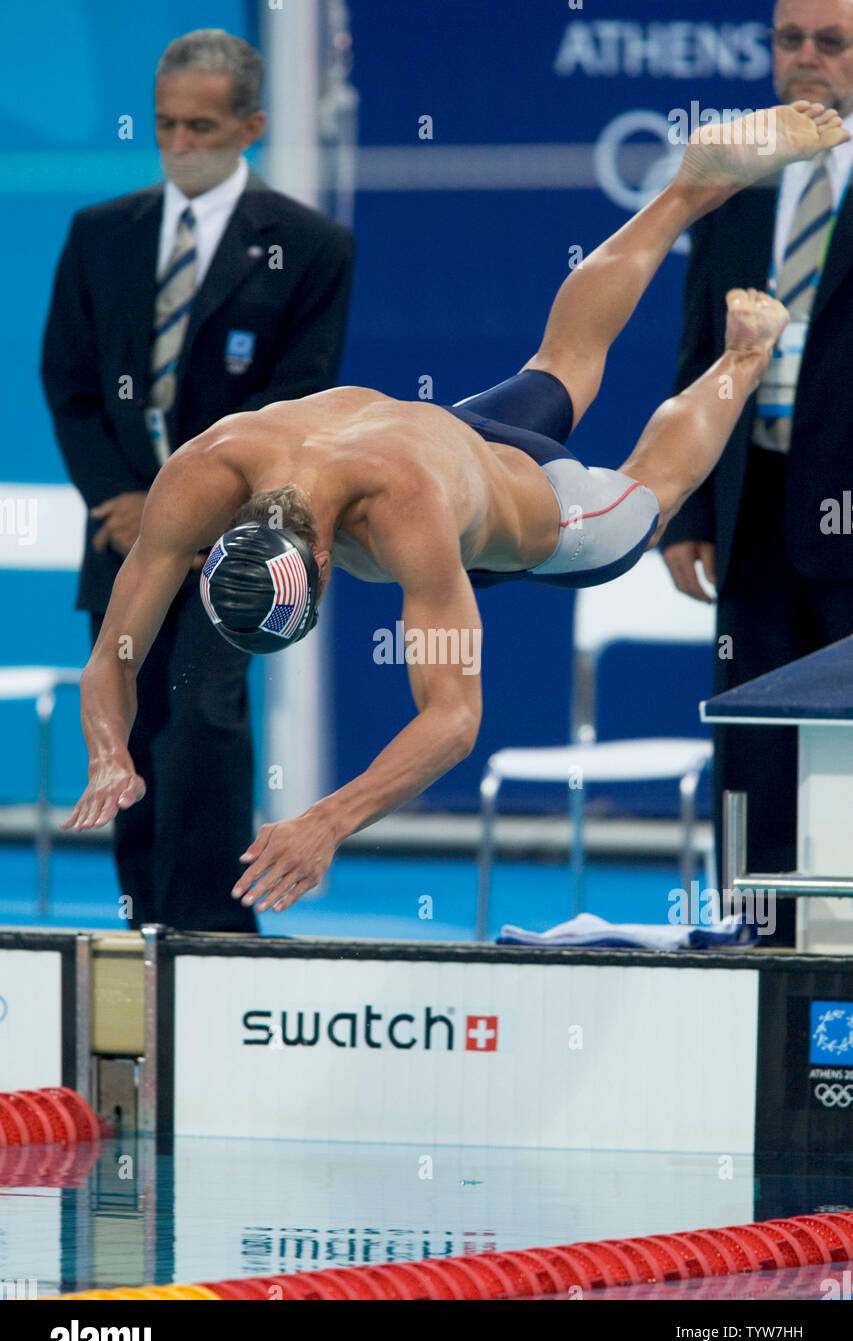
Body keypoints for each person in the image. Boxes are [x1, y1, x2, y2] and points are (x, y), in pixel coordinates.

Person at [63, 102, 846, 922]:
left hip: (534, 504)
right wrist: (109, 750)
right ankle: (685, 191)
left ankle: (742, 357)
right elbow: (114, 654)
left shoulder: (404, 511)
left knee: (647, 499)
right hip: (453, 430)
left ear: (324, 564)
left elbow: (453, 719)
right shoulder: (205, 466)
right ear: (222, 538)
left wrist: (325, 822)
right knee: (560, 359)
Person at [42, 30, 354, 933]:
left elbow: (299, 404)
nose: (180, 144)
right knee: (131, 737)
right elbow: (68, 386)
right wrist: (123, 505)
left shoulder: (309, 247)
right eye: (166, 126)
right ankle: (144, 929)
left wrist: (189, 508)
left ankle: (211, 940)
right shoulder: (101, 236)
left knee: (207, 732)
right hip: (122, 537)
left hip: (238, 547)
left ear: (251, 125)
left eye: (202, 127)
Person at [662, 1, 853, 947]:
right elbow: (698, 339)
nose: (805, 60)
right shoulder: (732, 172)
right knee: (753, 750)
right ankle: (754, 946)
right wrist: (686, 503)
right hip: (751, 506)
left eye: (831, 41)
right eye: (789, 40)